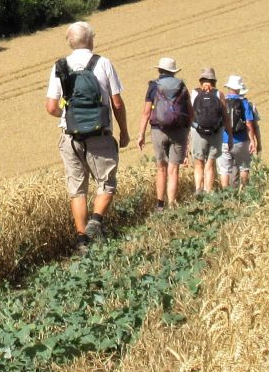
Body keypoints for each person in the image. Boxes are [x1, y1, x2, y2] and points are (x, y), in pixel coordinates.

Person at [43, 20, 129, 247]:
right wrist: (124, 132)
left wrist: (70, 116)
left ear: (70, 42)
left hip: (70, 137)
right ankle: (96, 221)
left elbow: (51, 107)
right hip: (100, 134)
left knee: (77, 190)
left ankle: (82, 241)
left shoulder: (60, 66)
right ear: (91, 40)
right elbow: (117, 103)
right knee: (106, 184)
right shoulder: (103, 63)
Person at [137, 55, 191, 211]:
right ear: (173, 72)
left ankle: (160, 205)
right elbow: (190, 111)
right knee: (174, 169)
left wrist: (141, 134)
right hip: (179, 131)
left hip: (158, 130)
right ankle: (172, 204)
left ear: (159, 70)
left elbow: (146, 112)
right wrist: (187, 132)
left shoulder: (154, 86)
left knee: (161, 168)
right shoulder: (182, 86)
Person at [187, 67, 227, 196]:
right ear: (214, 81)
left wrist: (188, 137)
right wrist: (229, 135)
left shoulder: (194, 93)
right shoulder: (219, 94)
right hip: (215, 133)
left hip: (198, 132)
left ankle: (198, 189)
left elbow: (190, 115)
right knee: (210, 163)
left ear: (201, 80)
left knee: (198, 162)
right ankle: (208, 192)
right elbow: (225, 116)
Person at [222, 73, 262, 191]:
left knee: (225, 170)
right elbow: (249, 123)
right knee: (244, 167)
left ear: (228, 87)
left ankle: (225, 196)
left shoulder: (222, 101)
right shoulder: (245, 103)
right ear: (239, 88)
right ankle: (242, 191)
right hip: (241, 140)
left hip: (224, 140)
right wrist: (253, 140)